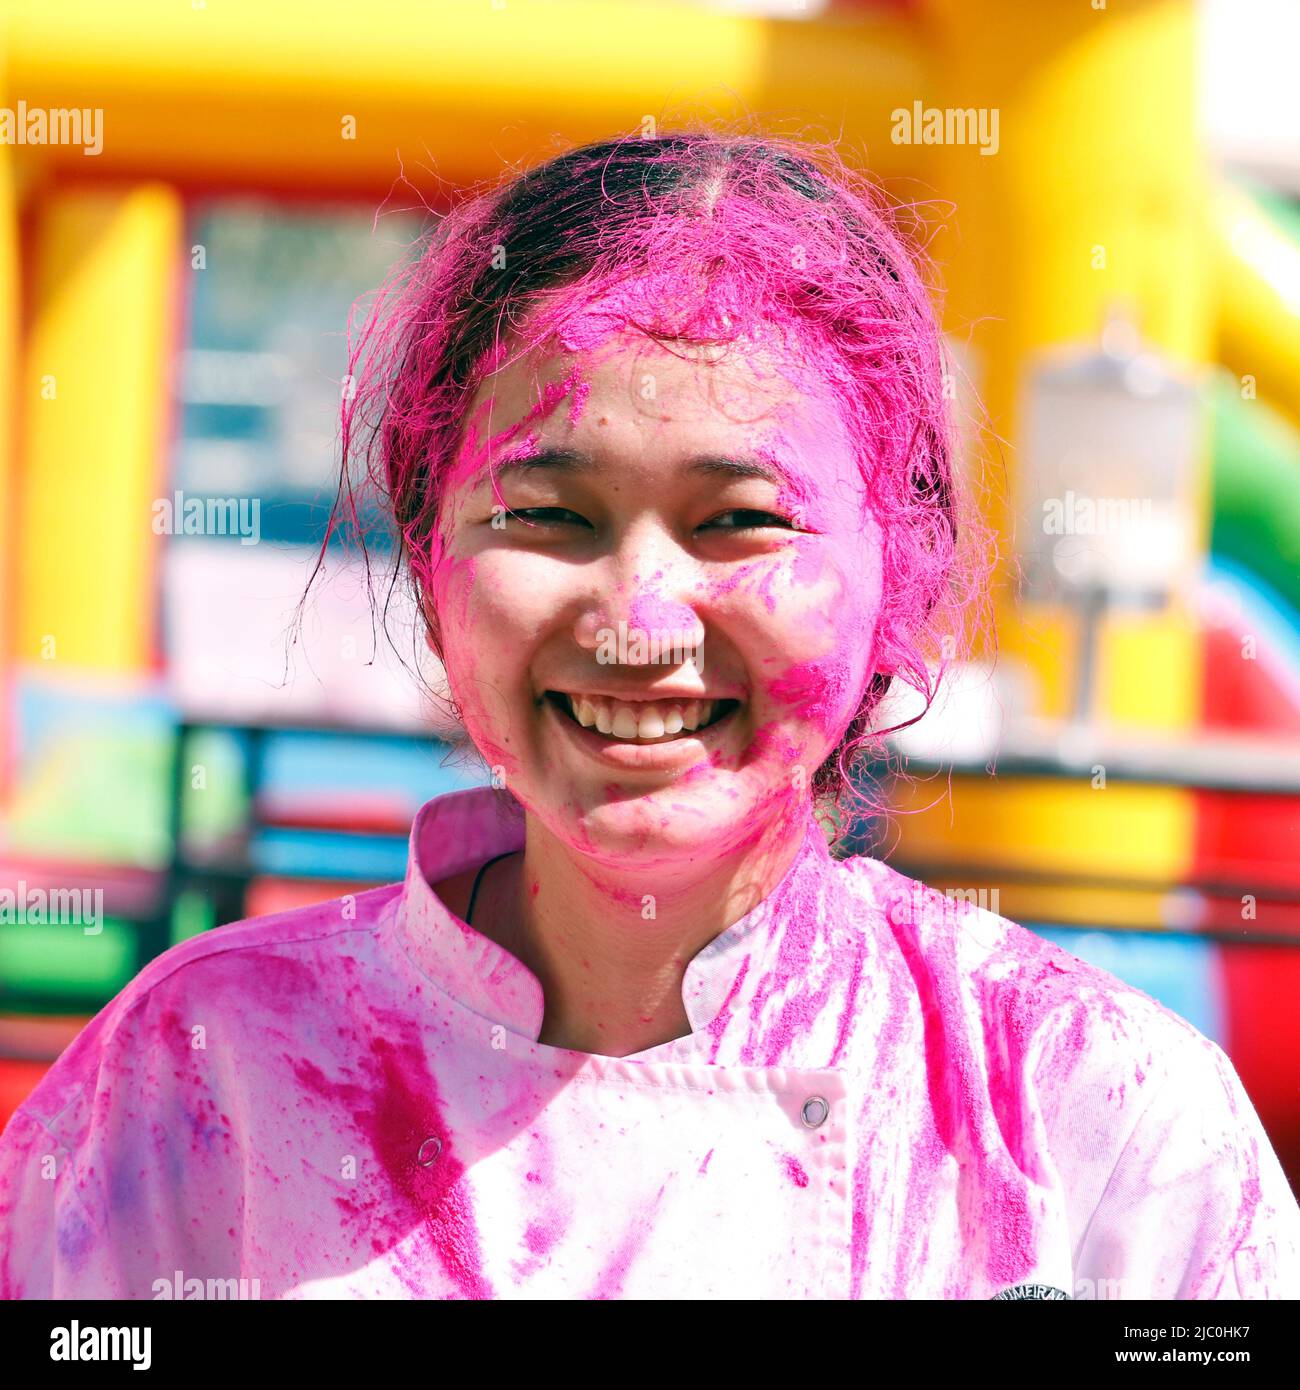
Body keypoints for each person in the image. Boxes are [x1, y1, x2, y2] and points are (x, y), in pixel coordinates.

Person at [2, 130, 1297, 1300]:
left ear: (899, 564)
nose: (638, 616)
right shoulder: (205, 1073)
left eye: (739, 520)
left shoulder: (1091, 1108)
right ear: (429, 550)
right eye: (549, 514)